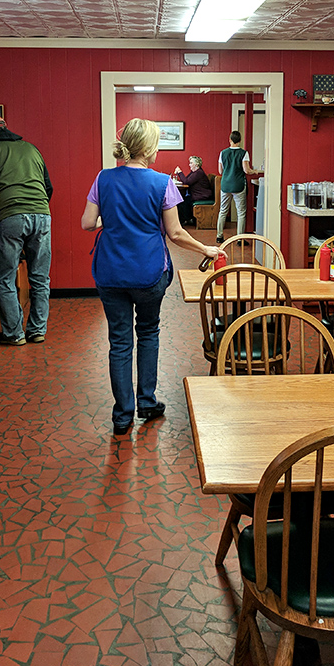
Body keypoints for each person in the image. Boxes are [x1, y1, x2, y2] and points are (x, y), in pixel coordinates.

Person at [82, 118, 222, 436]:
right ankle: (147, 402)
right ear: (148, 149)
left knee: (119, 342)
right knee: (147, 333)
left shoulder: (103, 179)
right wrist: (206, 249)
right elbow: (175, 233)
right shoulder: (162, 183)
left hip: (109, 273)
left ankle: (122, 416)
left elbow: (88, 223)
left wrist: (114, 218)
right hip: (147, 274)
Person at [0, 115, 53, 346]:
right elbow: (48, 186)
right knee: (40, 278)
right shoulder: (31, 149)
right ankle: (37, 330)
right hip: (42, 215)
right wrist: (37, 208)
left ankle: (15, 334)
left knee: (5, 278)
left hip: (10, 216)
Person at [216, 130, 262, 243]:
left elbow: (220, 171)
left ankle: (219, 236)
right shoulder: (244, 153)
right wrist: (255, 171)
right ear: (240, 141)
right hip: (238, 185)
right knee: (241, 212)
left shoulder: (223, 153)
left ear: (230, 140)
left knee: (223, 210)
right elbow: (246, 170)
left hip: (225, 184)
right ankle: (239, 239)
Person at [173, 155, 213, 225]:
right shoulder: (195, 172)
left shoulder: (199, 173)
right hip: (198, 194)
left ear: (196, 165)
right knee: (182, 200)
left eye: (191, 163)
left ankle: (185, 220)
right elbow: (187, 180)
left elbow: (186, 182)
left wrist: (179, 172)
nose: (189, 165)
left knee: (182, 202)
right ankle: (187, 219)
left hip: (202, 196)